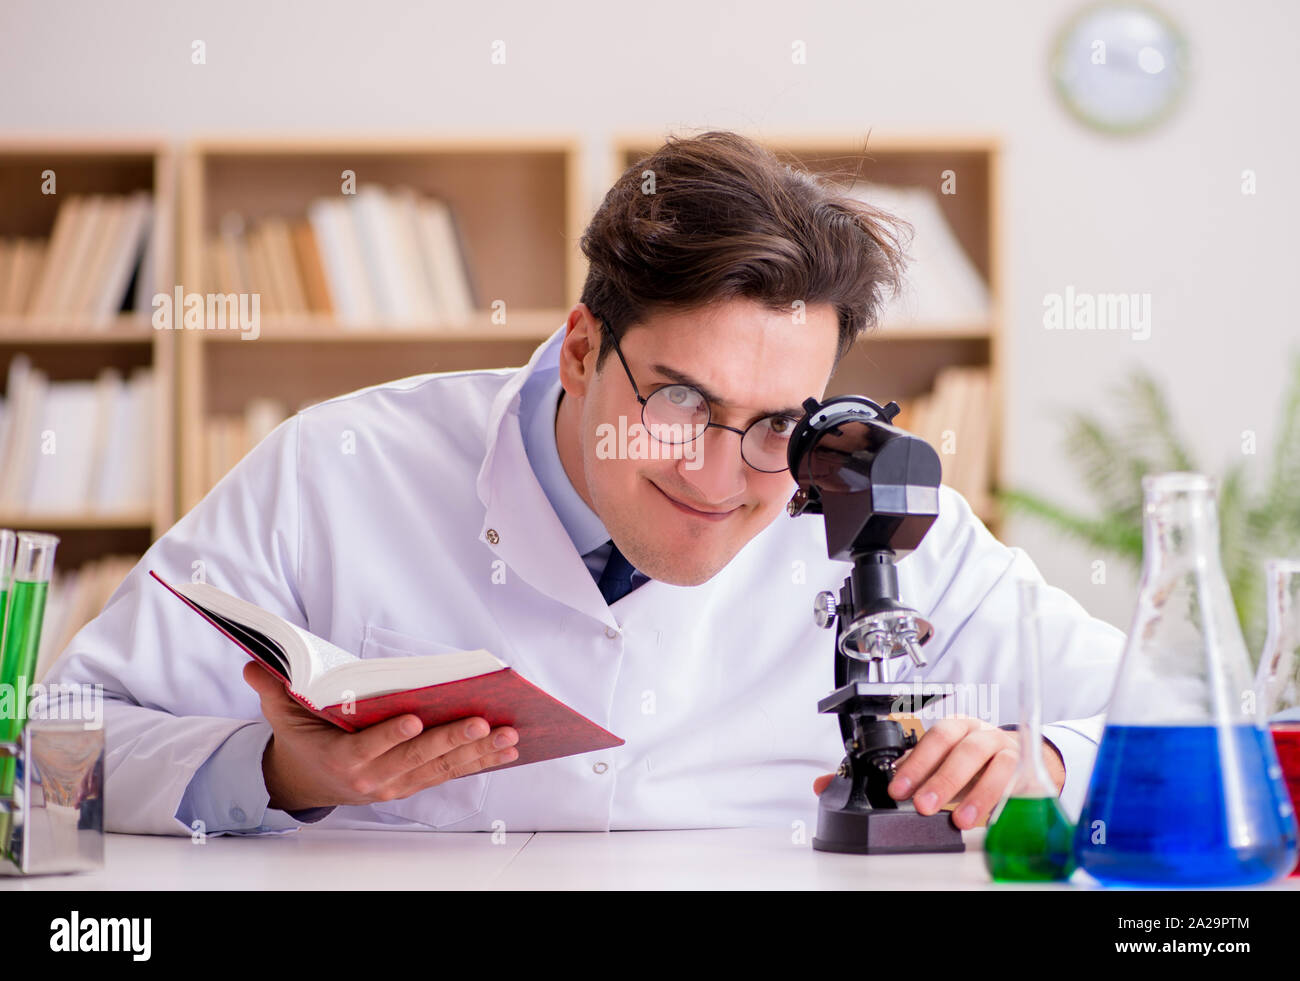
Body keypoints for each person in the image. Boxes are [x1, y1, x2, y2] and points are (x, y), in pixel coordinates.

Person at [40, 130, 1123, 837]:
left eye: (776, 425)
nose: (718, 475)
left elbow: (1181, 722)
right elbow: (48, 756)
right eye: (679, 404)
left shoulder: (871, 501)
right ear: (576, 350)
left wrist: (1046, 764)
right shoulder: (336, 467)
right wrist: (284, 772)